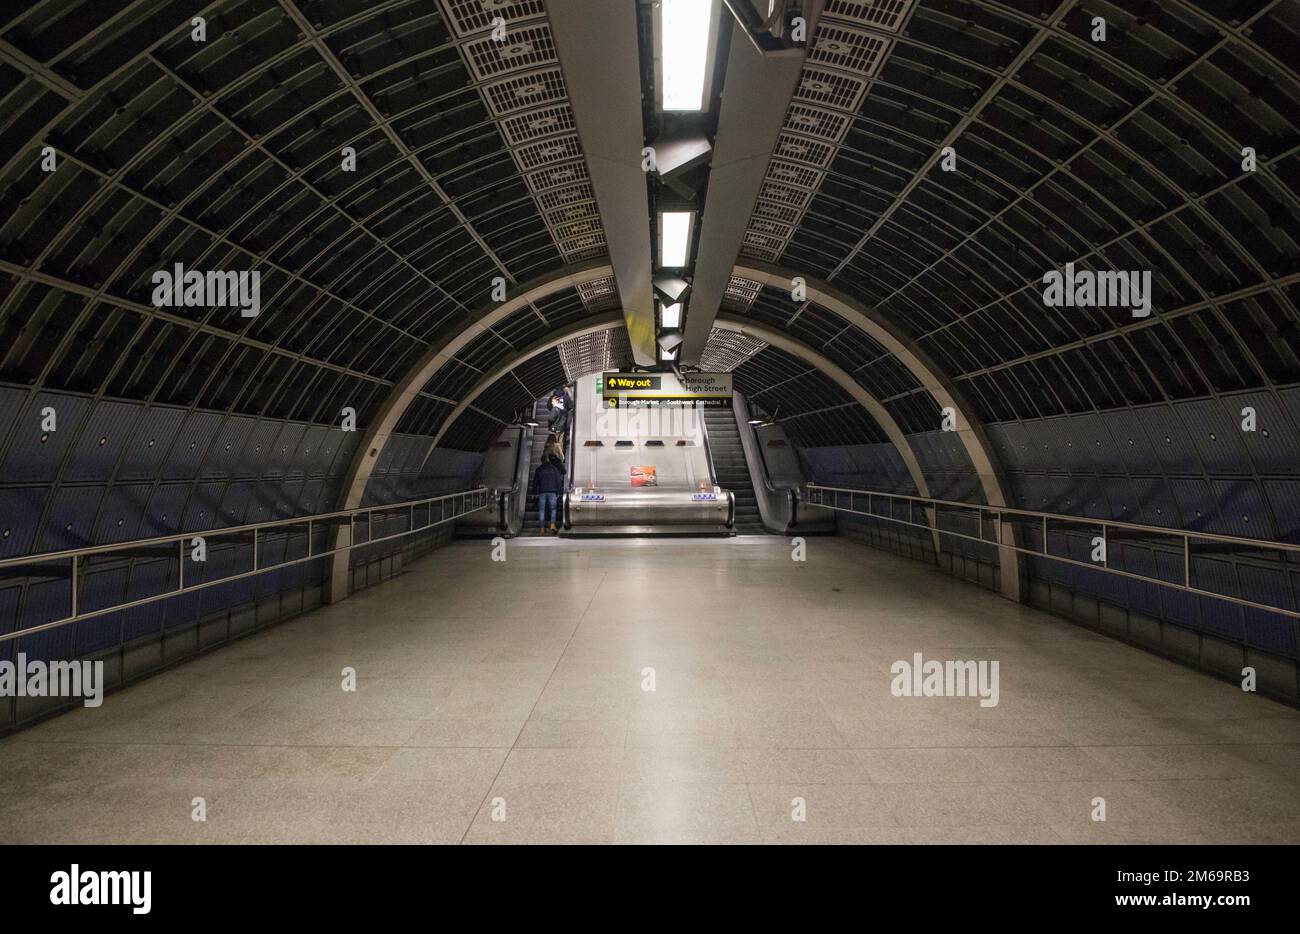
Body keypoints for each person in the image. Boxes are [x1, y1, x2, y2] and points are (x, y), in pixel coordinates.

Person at [534, 452, 565, 535]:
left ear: (541, 461)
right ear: (548, 461)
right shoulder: (554, 469)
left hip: (542, 492)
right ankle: (552, 525)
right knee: (553, 509)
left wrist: (535, 493)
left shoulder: (538, 469)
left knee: (541, 510)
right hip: (552, 491)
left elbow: (535, 483)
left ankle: (542, 529)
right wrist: (559, 492)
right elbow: (558, 481)